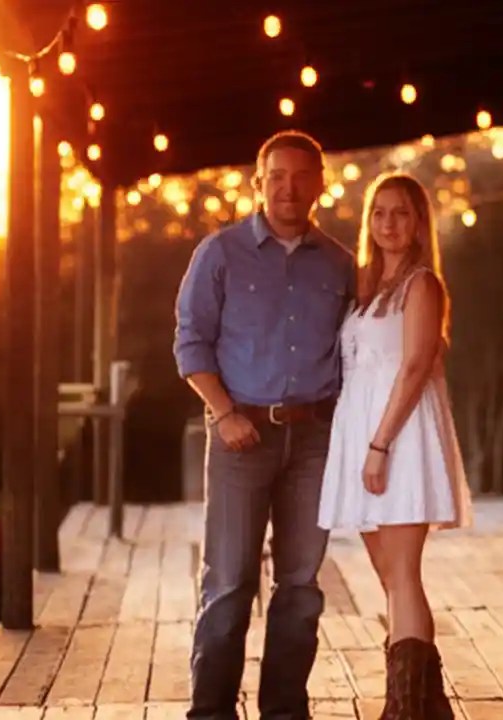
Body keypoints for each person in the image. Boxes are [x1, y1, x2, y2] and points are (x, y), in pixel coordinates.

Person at [174, 129, 356, 720]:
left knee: (301, 588)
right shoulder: (219, 253)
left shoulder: (339, 264)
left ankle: (284, 710)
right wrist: (223, 413)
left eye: (302, 176)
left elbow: (355, 352)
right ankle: (211, 712)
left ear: (320, 186)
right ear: (258, 184)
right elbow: (190, 341)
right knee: (229, 585)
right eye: (276, 176)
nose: (288, 187)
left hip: (312, 442)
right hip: (239, 436)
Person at [318, 171, 472, 718]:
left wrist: (380, 445)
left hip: (399, 435)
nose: (389, 223)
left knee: (403, 576)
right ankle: (428, 704)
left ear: (418, 222)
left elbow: (413, 368)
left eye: (401, 213)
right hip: (362, 431)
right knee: (391, 579)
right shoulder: (363, 288)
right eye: (379, 213)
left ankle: (404, 711)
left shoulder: (422, 284)